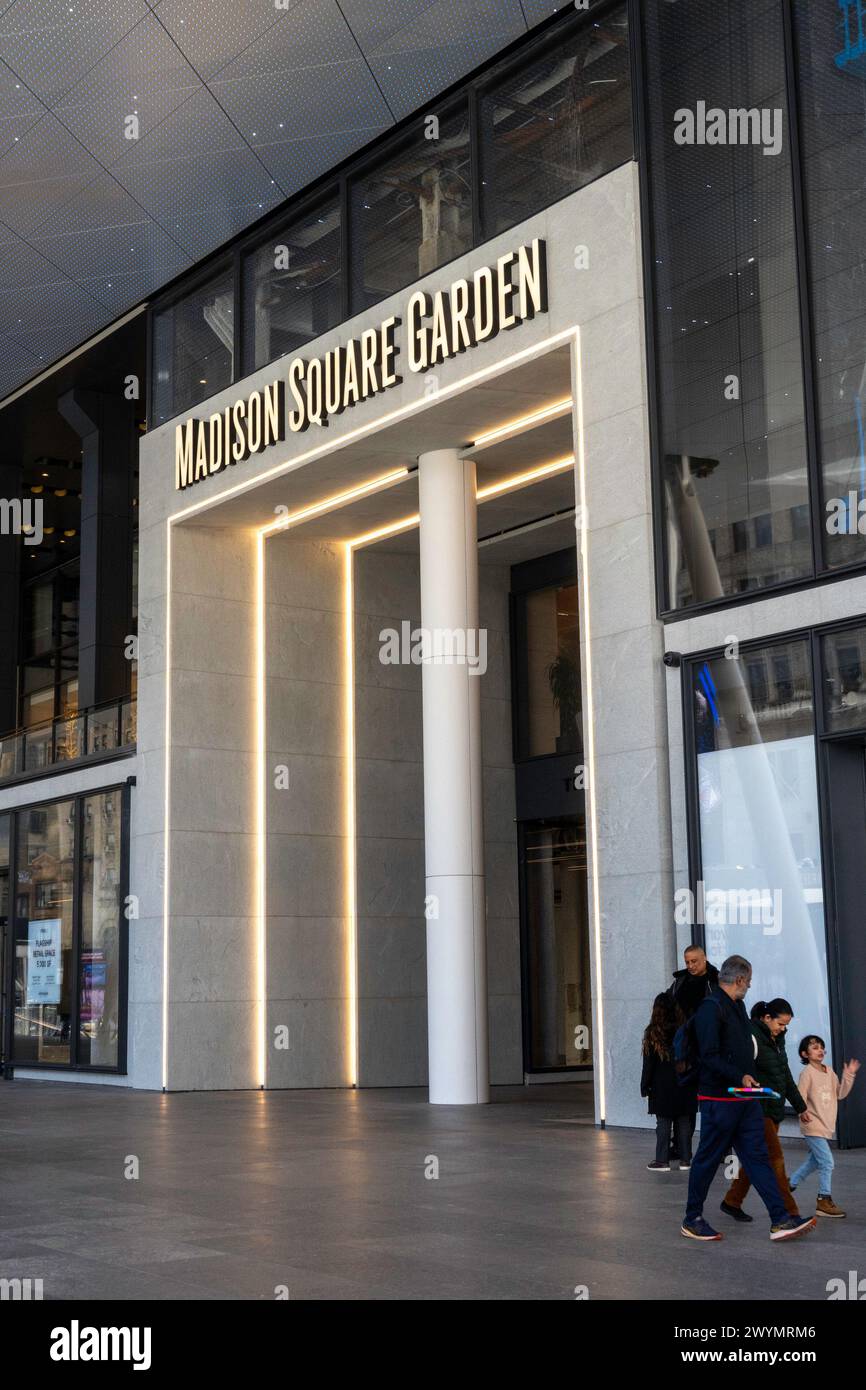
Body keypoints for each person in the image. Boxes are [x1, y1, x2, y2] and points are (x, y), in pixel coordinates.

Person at [680, 954, 816, 1243]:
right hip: (719, 1100)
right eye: (749, 981)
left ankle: (780, 1219)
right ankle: (692, 1218)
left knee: (758, 1158)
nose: (749, 987)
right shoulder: (710, 1009)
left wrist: (750, 1077)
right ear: (740, 979)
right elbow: (709, 1056)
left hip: (744, 1100)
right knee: (707, 1158)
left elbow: (743, 1050)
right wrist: (739, 1076)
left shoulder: (738, 1006)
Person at [719, 999, 808, 1224]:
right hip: (758, 1110)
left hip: (774, 1109)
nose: (783, 1028)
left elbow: (785, 1076)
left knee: (754, 1158)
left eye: (786, 1025)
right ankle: (790, 1213)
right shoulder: (751, 1039)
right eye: (781, 1023)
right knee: (775, 1160)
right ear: (767, 1018)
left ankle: (732, 1201)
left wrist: (801, 1107)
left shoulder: (776, 1041)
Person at [790, 1036, 860, 1219]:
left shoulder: (829, 1071)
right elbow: (800, 1096)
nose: (820, 1050)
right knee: (827, 1162)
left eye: (821, 1047)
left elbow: (840, 1093)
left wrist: (848, 1075)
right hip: (812, 1124)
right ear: (805, 1054)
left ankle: (790, 1183)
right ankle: (823, 1200)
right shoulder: (806, 1073)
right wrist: (801, 1112)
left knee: (814, 1161)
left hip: (826, 1124)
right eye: (814, 1047)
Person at [641, 993, 697, 1172]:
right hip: (685, 1082)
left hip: (662, 1084)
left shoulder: (653, 1032)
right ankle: (686, 1160)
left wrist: (644, 1085)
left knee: (663, 1123)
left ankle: (662, 1161)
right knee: (684, 1121)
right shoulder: (685, 1029)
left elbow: (649, 1063)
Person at [668, 944, 719, 1020]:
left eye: (694, 961)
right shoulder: (679, 981)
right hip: (681, 1029)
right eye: (687, 962)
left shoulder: (716, 980)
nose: (690, 966)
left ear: (704, 958)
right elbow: (667, 1001)